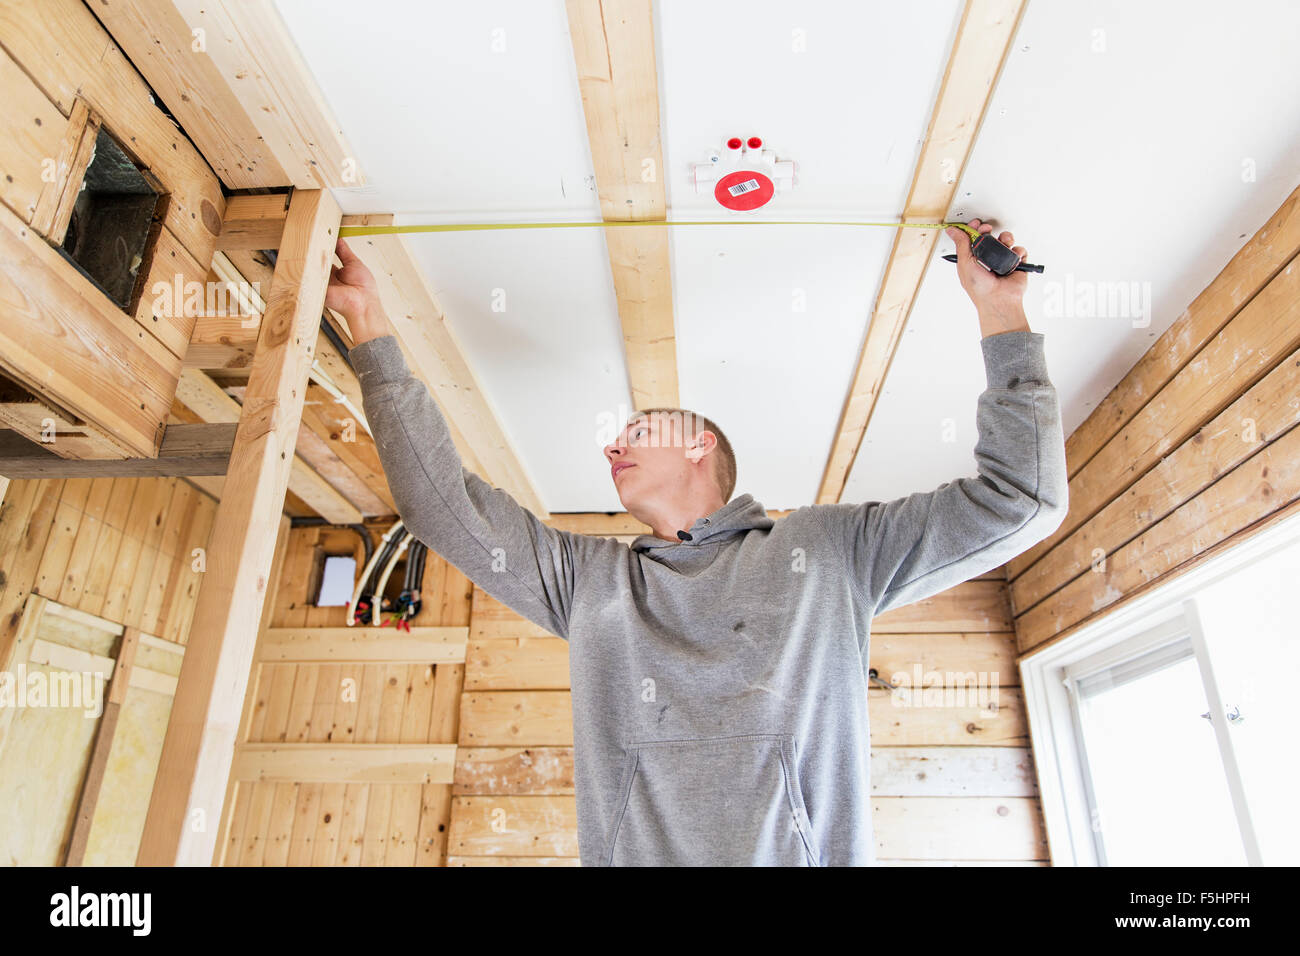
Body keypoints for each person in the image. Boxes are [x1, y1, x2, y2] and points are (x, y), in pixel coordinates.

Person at [326, 218, 1068, 866]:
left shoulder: (826, 552)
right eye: (616, 438)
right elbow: (439, 504)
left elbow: (1021, 500)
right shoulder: (589, 580)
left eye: (638, 430)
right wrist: (369, 325)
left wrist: (1001, 314)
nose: (613, 446)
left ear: (698, 443)